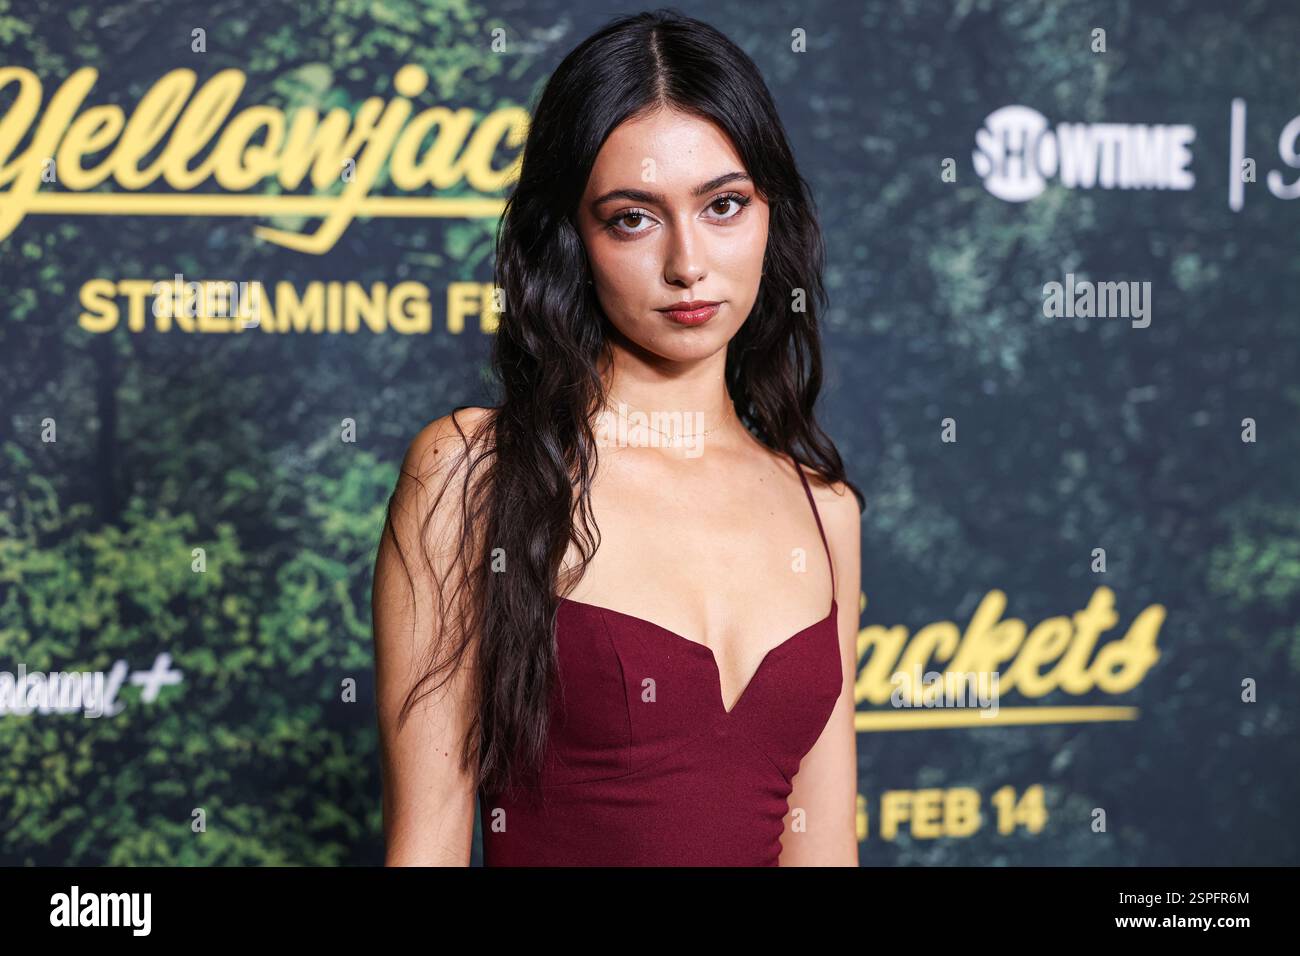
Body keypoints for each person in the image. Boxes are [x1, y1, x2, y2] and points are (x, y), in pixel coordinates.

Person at [374, 8, 864, 866]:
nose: (687, 263)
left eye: (723, 205)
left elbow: (823, 852)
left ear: (769, 215)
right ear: (573, 239)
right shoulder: (473, 470)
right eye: (634, 217)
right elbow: (429, 843)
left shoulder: (825, 513)